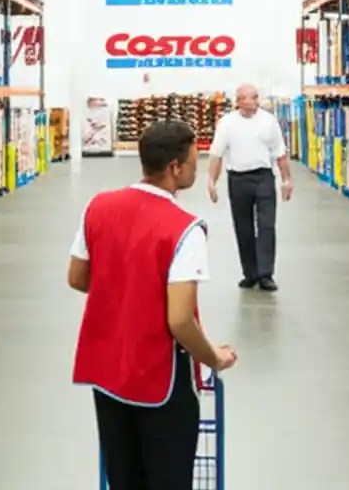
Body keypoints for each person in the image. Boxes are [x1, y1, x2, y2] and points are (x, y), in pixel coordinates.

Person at [69, 120, 238, 490]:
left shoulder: (98, 206)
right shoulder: (185, 228)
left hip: (108, 372)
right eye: (194, 160)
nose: (198, 165)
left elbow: (77, 277)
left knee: (123, 475)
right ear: (175, 168)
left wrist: (127, 294)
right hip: (158, 376)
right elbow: (179, 320)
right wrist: (214, 357)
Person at [206, 84, 292, 291]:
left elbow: (279, 152)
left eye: (252, 98)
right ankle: (250, 273)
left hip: (263, 177)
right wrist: (211, 181)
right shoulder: (227, 123)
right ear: (237, 101)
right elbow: (216, 154)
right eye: (243, 98)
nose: (248, 102)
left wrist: (286, 179)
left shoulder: (268, 122)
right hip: (238, 179)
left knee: (266, 226)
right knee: (243, 227)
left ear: (257, 99)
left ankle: (265, 274)